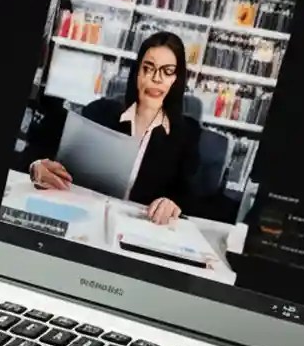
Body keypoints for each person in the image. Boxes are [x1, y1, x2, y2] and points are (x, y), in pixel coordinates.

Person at [29, 31, 200, 225]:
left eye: (167, 71)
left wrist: (173, 204)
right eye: (148, 68)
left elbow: (189, 199)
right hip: (83, 218)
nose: (156, 79)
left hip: (140, 227)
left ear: (176, 80)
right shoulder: (101, 112)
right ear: (137, 73)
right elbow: (40, 154)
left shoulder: (186, 134)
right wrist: (37, 167)